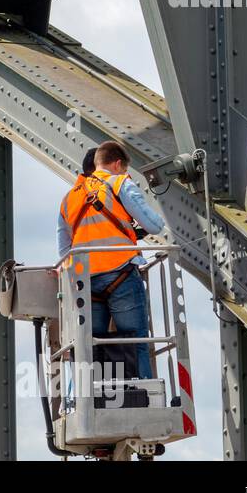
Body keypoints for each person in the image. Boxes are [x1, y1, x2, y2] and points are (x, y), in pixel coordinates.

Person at [56, 141, 165, 379]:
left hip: (85, 282)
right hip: (120, 274)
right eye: (124, 169)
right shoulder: (118, 182)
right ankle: (144, 396)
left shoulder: (68, 199)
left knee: (88, 348)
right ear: (117, 164)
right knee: (136, 342)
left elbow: (64, 250)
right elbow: (154, 225)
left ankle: (89, 402)